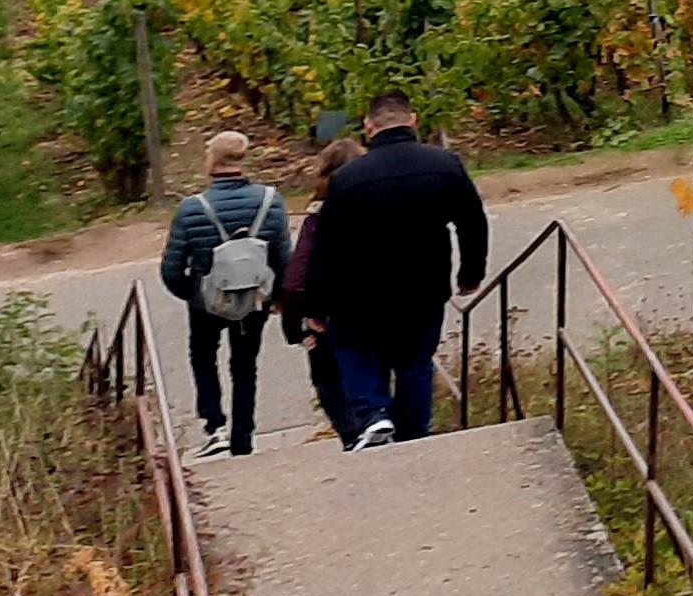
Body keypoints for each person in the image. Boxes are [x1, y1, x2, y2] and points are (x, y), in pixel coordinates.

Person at [298, 92, 488, 446]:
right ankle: (416, 433)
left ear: (370, 127)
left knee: (355, 349)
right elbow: (472, 222)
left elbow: (327, 245)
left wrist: (316, 305)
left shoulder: (349, 178)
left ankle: (374, 414)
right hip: (423, 285)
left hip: (360, 291)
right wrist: (470, 274)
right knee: (415, 359)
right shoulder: (445, 164)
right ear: (413, 120)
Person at [158, 131, 291, 458]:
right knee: (245, 365)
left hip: (208, 301)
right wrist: (277, 296)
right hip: (254, 298)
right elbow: (284, 257)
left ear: (212, 161)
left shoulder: (191, 209)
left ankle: (214, 426)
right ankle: (243, 437)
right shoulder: (271, 201)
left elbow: (172, 270)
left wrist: (194, 294)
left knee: (203, 357)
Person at [278, 135, 367, 447]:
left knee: (328, 376)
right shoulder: (379, 206)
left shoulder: (318, 217)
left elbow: (295, 283)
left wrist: (295, 328)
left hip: (330, 314)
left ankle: (353, 435)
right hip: (381, 304)